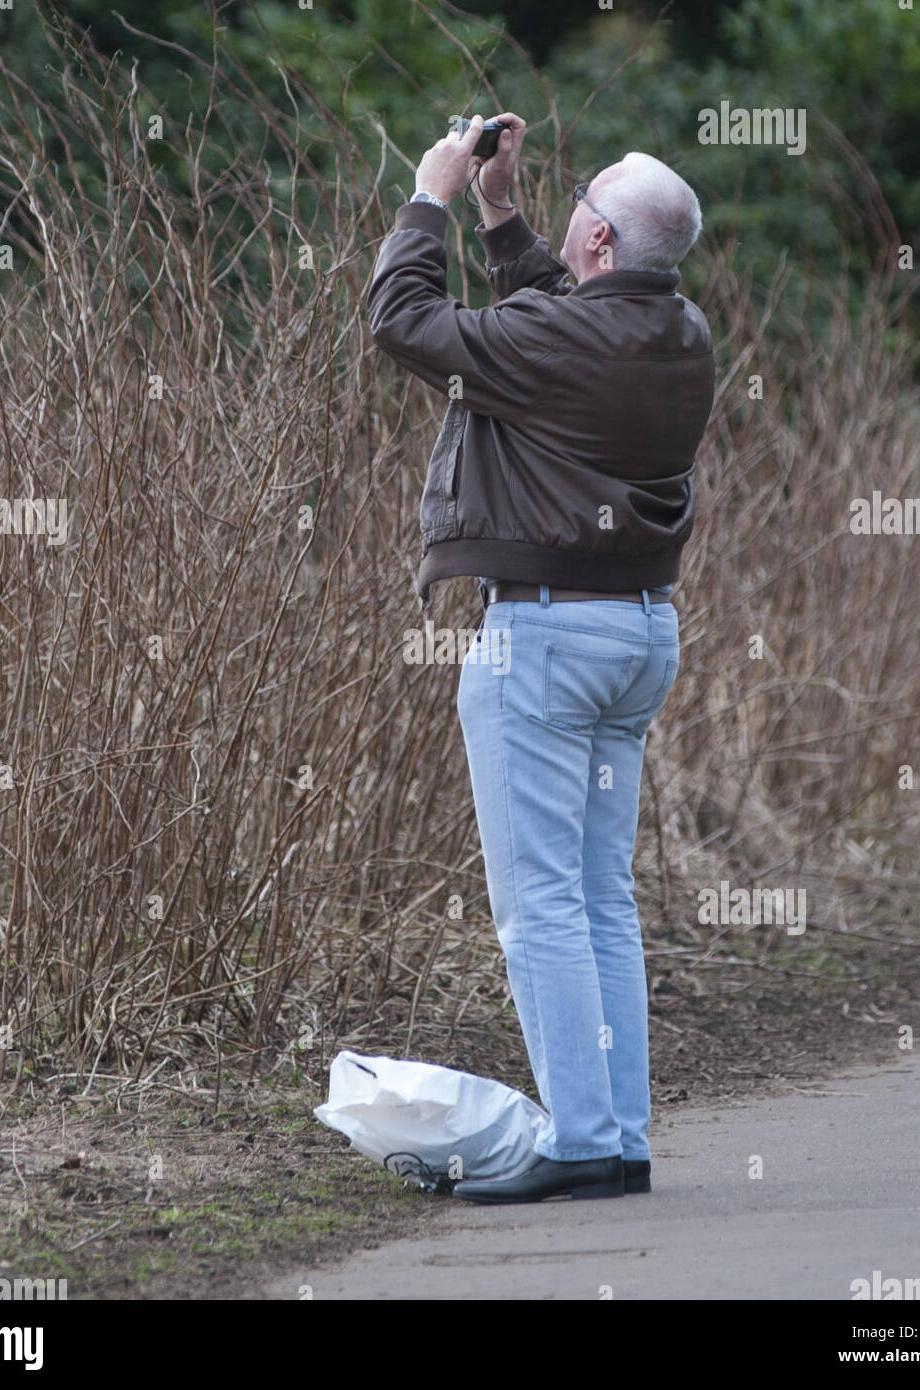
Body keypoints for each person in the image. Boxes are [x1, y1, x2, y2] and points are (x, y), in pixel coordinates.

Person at [367, 113, 715, 1203]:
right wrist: (506, 215)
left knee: (542, 905)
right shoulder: (683, 333)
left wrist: (428, 198)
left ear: (601, 243)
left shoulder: (565, 342)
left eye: (579, 207)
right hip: (638, 634)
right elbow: (568, 318)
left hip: (549, 640)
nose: (567, 216)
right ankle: (616, 1135)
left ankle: (576, 1139)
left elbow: (403, 320)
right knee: (603, 895)